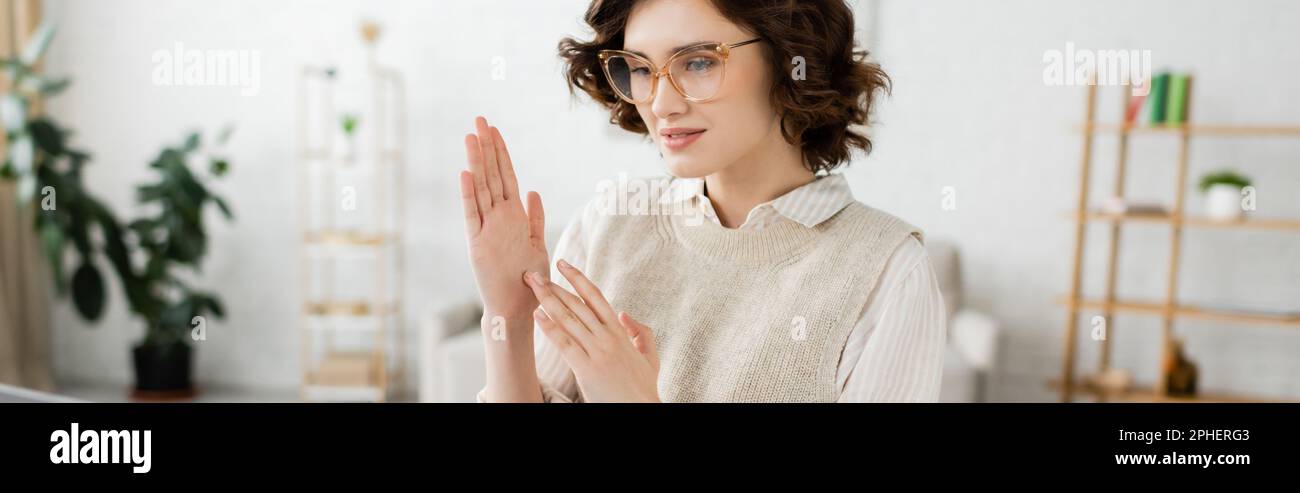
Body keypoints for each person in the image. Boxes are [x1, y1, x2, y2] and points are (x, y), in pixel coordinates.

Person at [458, 0, 946, 403]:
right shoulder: (610, 220)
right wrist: (508, 316)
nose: (661, 104)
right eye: (640, 69)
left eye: (697, 62)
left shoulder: (888, 271)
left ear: (789, 60)